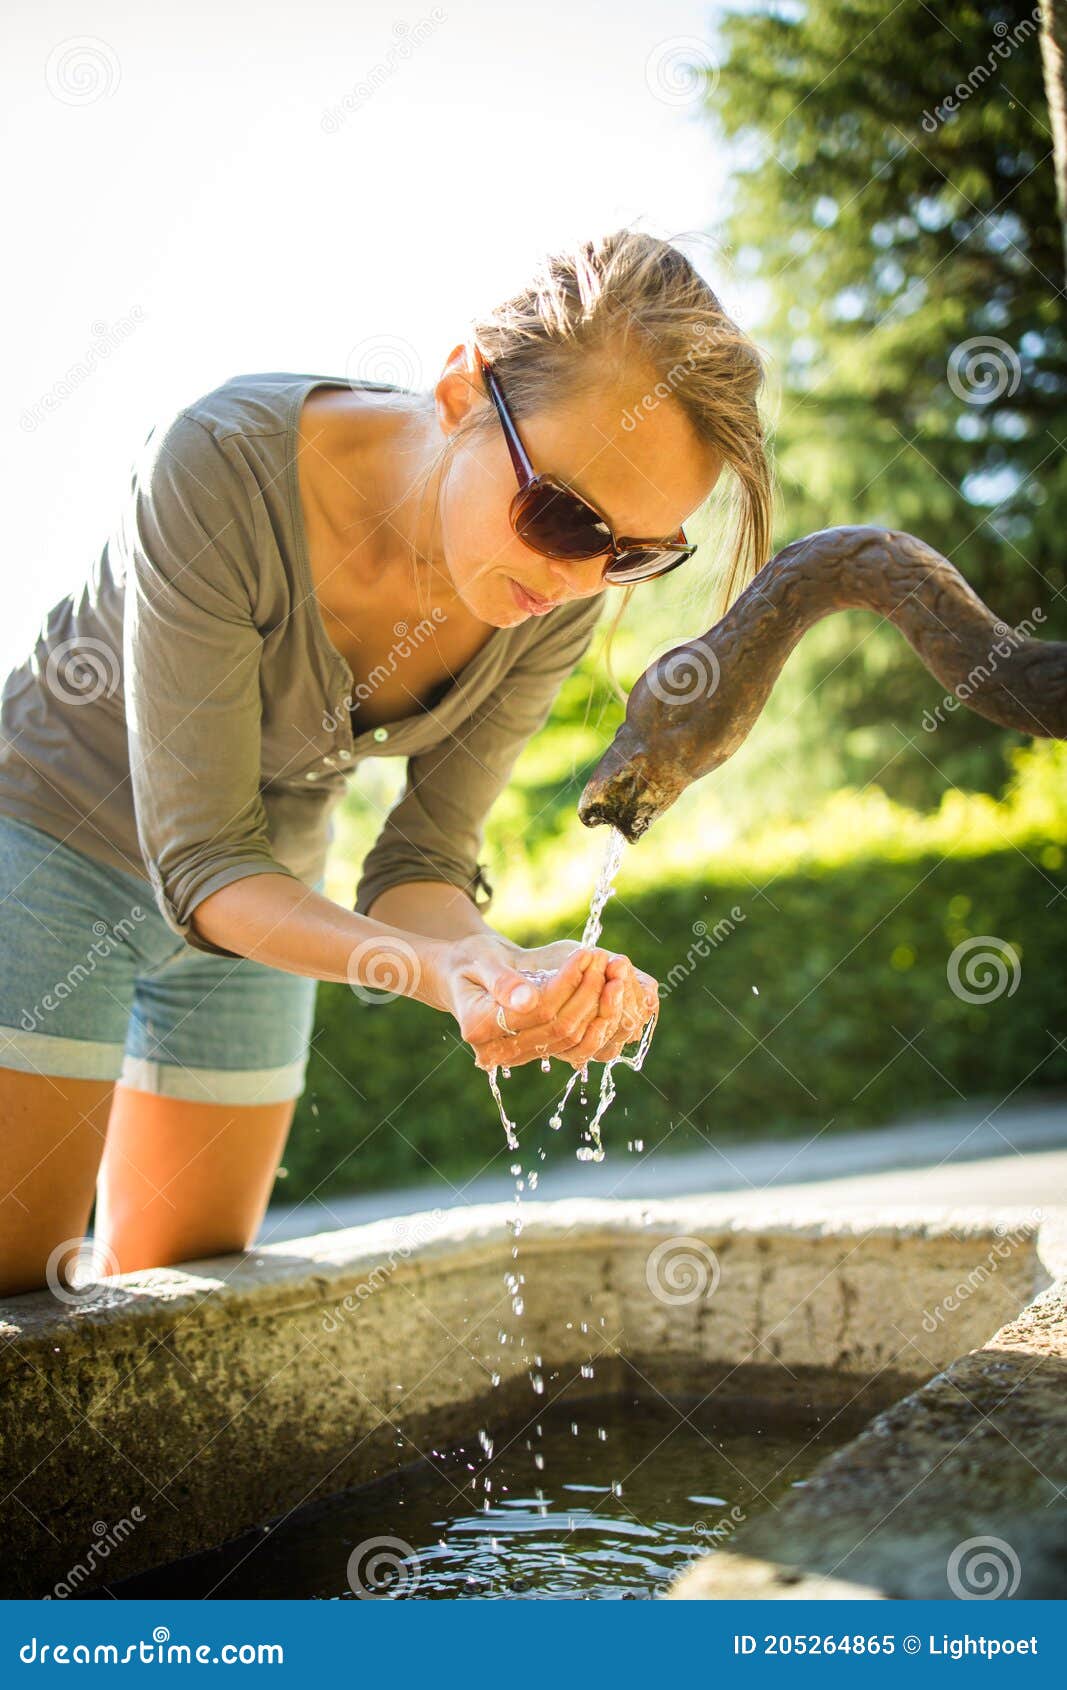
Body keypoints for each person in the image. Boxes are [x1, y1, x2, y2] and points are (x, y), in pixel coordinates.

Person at [0, 229, 772, 1294]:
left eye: (634, 552)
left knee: (190, 1295)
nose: (582, 576)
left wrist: (495, 967)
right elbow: (201, 863)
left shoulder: (548, 600)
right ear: (463, 389)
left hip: (272, 897)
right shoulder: (216, 461)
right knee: (16, 1306)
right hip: (50, 845)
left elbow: (421, 862)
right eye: (561, 514)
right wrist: (443, 974)